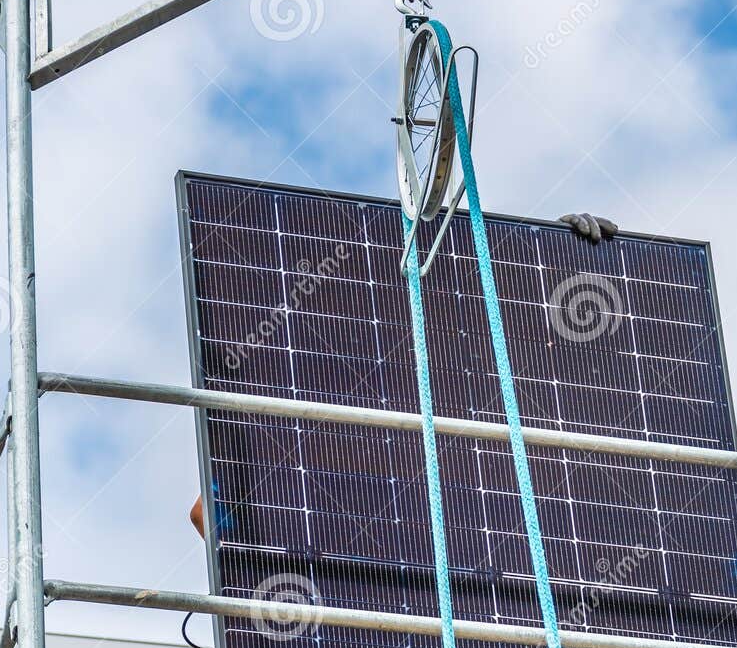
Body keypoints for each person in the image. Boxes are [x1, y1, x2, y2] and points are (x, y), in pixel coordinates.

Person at [189, 212, 619, 534]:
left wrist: (571, 260)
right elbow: (206, 516)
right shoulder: (330, 431)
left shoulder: (509, 428)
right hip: (373, 615)